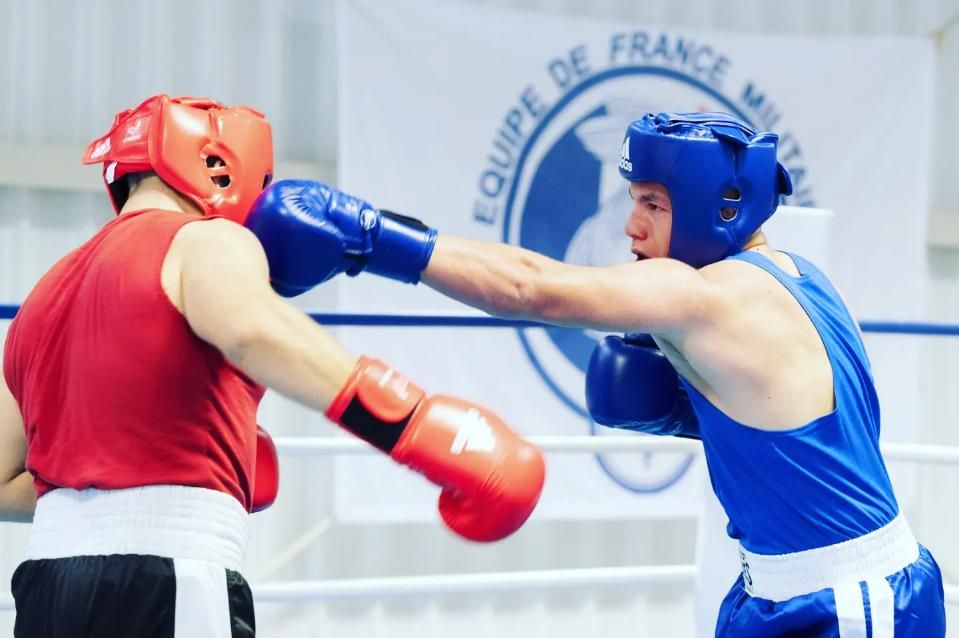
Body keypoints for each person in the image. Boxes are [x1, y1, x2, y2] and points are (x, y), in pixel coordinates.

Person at [247, 112, 946, 636]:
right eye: (633, 200)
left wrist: (370, 236)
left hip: (849, 597)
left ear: (720, 206)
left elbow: (533, 288)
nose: (630, 227)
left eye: (652, 204)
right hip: (778, 585)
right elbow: (826, 428)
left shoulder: (703, 294)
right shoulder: (798, 278)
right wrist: (697, 412)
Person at [0, 94, 545, 637]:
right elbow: (250, 330)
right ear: (219, 166)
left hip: (48, 585)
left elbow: (4, 484)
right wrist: (411, 424)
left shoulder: (42, 297)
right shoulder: (208, 239)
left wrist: (111, 478)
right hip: (170, 577)